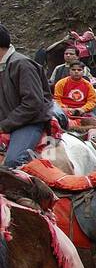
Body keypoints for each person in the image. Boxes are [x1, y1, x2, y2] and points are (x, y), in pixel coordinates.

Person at [0, 23, 54, 168]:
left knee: (12, 162)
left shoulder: (22, 64)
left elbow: (33, 104)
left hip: (29, 122)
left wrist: (4, 125)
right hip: (8, 120)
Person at [52, 59, 96, 127]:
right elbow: (57, 99)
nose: (76, 72)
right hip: (64, 111)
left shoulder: (88, 85)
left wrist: (82, 109)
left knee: (94, 124)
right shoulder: (61, 83)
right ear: (69, 71)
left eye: (79, 70)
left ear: (83, 71)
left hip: (83, 111)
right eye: (73, 70)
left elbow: (92, 101)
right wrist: (65, 109)